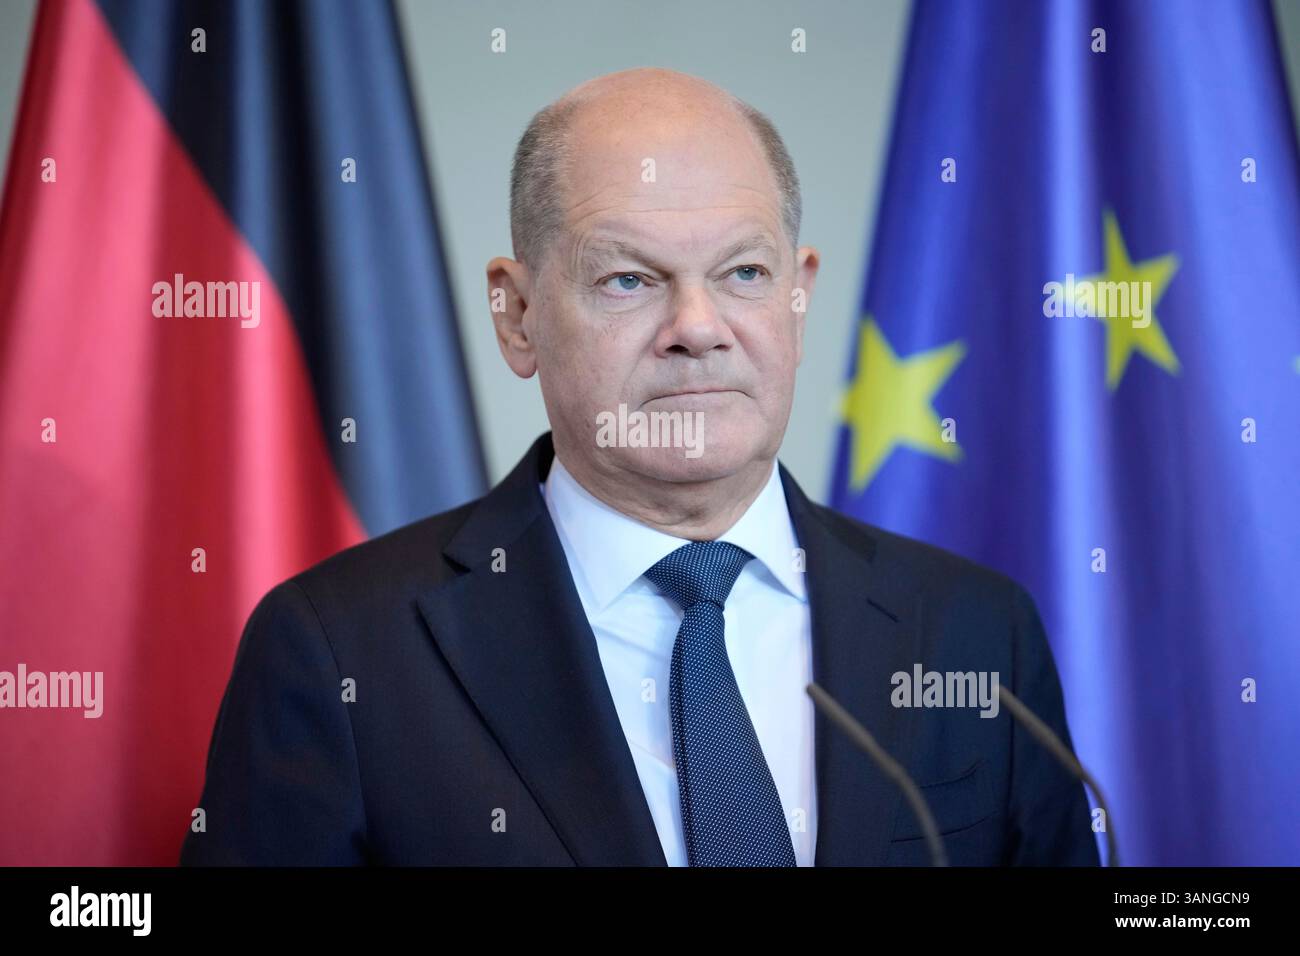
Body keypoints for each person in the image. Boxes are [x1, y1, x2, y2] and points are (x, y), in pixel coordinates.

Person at [180, 67, 1098, 866]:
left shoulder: (978, 630)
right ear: (518, 314)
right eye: (628, 279)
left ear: (798, 293)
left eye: (742, 272)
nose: (698, 328)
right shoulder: (337, 650)